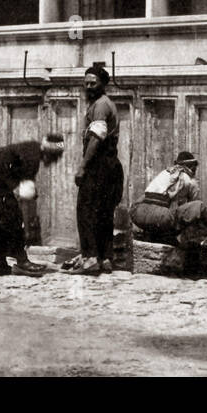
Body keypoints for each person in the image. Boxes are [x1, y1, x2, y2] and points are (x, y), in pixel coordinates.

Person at [0, 134, 66, 277]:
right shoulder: (32, 158)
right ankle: (21, 262)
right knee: (11, 217)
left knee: (1, 219)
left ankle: (0, 264)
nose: (54, 161)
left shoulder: (33, 149)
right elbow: (25, 197)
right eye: (54, 156)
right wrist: (27, 228)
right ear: (49, 152)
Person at [73, 62, 124, 276]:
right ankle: (105, 259)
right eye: (85, 83)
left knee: (85, 211)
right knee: (104, 214)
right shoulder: (105, 104)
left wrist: (82, 167)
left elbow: (96, 136)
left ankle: (90, 258)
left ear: (103, 83)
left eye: (93, 83)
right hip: (111, 166)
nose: (88, 86)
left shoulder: (100, 105)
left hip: (99, 166)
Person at [130, 151, 206, 244]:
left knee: (153, 203)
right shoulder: (191, 181)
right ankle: (176, 239)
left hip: (138, 214)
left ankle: (152, 235)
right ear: (192, 167)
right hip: (162, 218)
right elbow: (193, 209)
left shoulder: (164, 172)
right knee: (198, 207)